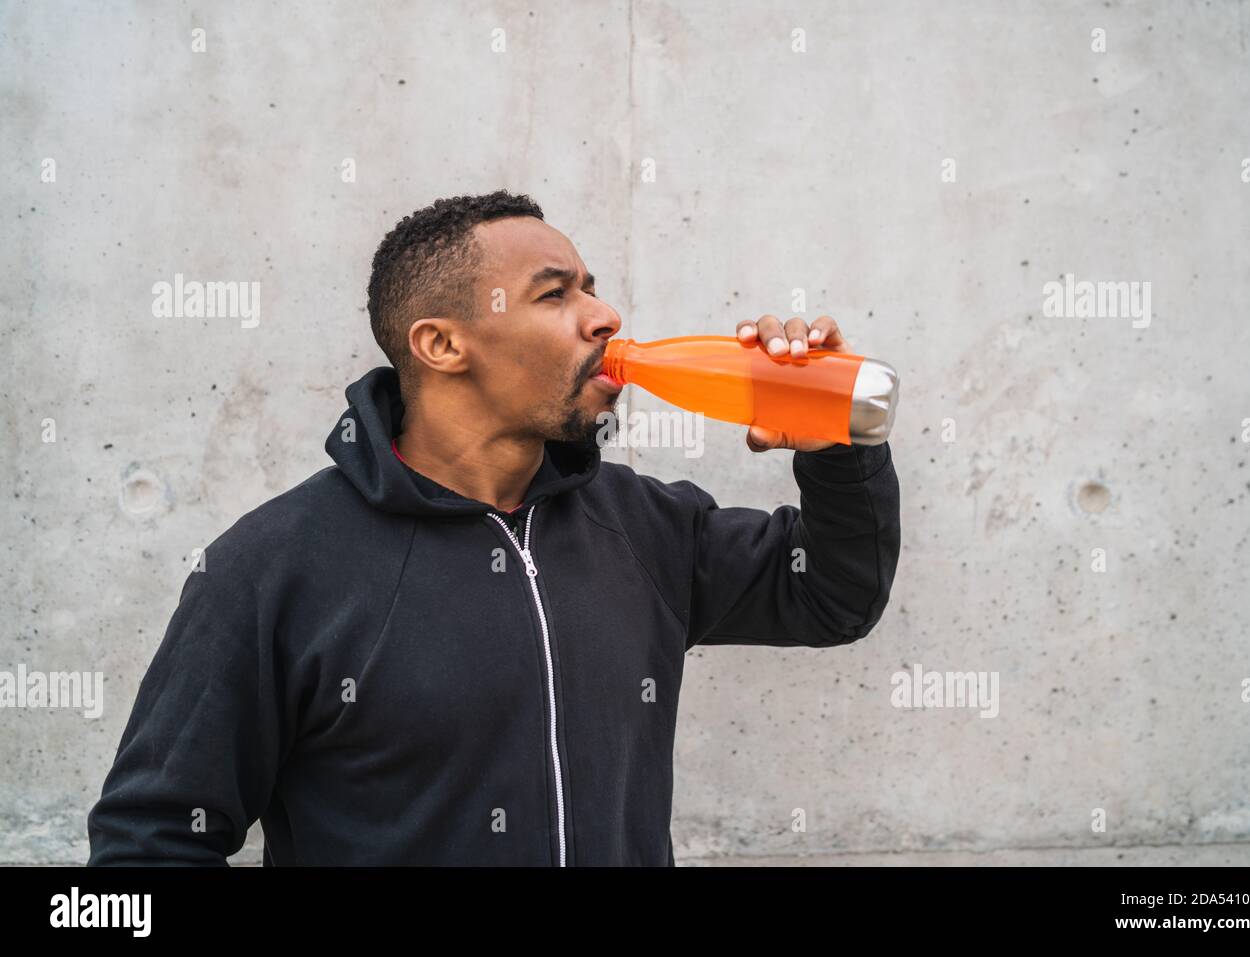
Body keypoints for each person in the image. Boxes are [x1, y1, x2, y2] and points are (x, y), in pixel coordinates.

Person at [86, 189, 901, 866]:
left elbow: (831, 594)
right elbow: (147, 845)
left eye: (591, 286)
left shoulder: (648, 526)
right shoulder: (270, 568)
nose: (605, 315)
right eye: (557, 294)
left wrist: (837, 447)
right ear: (442, 344)